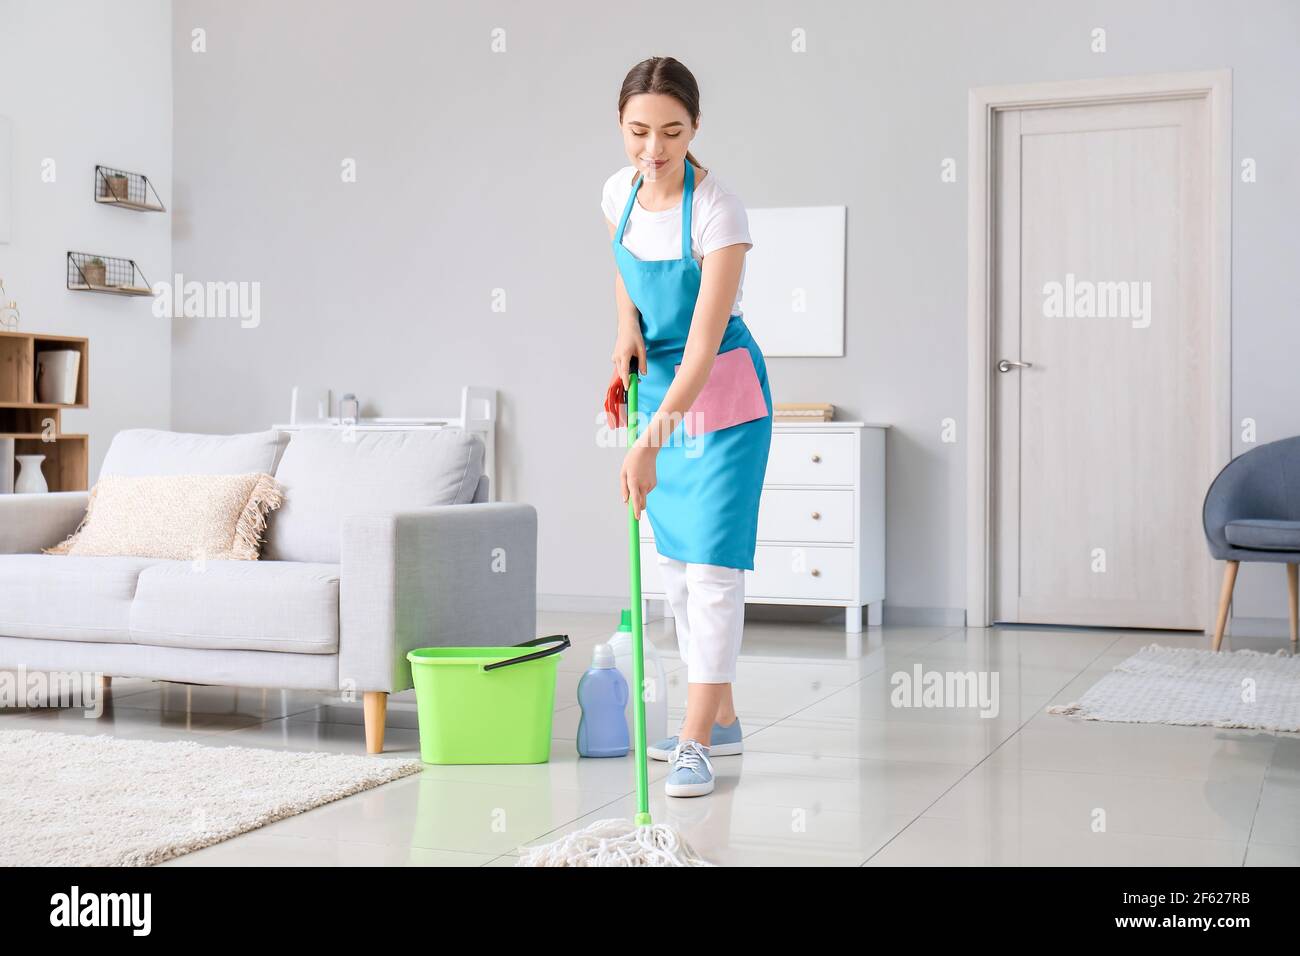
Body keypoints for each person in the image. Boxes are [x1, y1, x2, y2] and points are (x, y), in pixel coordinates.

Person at [602, 56, 772, 798]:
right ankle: (723, 717)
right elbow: (622, 264)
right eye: (639, 131)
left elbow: (704, 345)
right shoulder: (619, 191)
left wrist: (646, 443)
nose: (653, 148)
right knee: (673, 571)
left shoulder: (718, 211)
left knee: (710, 572)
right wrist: (623, 331)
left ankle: (696, 742)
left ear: (695, 127)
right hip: (659, 385)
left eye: (671, 132)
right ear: (621, 125)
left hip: (723, 396)